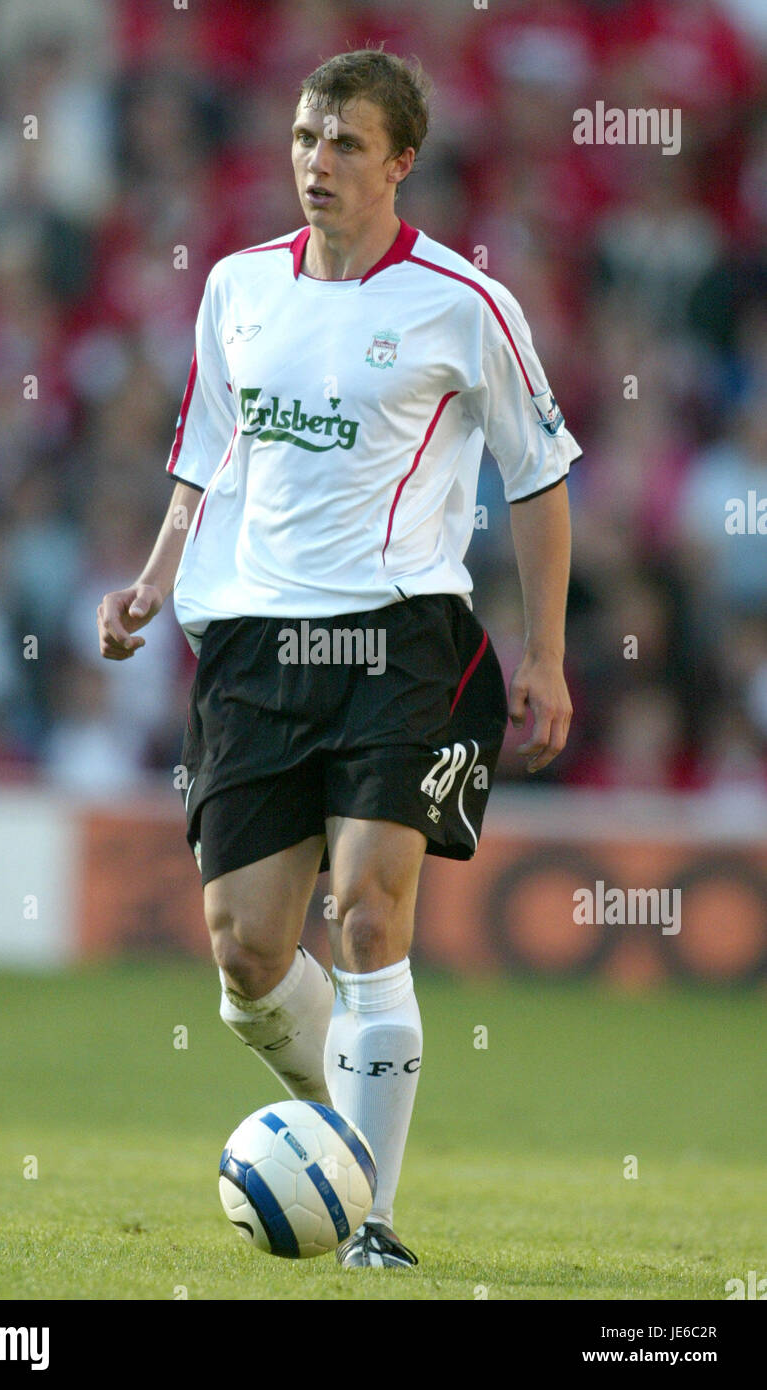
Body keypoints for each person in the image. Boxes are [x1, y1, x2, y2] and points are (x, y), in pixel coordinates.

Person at [97, 48, 579, 1270]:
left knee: (368, 913)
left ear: (400, 161)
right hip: (255, 643)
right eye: (308, 137)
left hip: (398, 638)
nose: (317, 161)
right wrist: (156, 577)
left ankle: (368, 1219)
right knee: (248, 957)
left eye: (346, 143)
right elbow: (205, 446)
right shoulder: (236, 288)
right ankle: (341, 1136)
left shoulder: (462, 304)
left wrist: (546, 656)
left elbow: (537, 478)